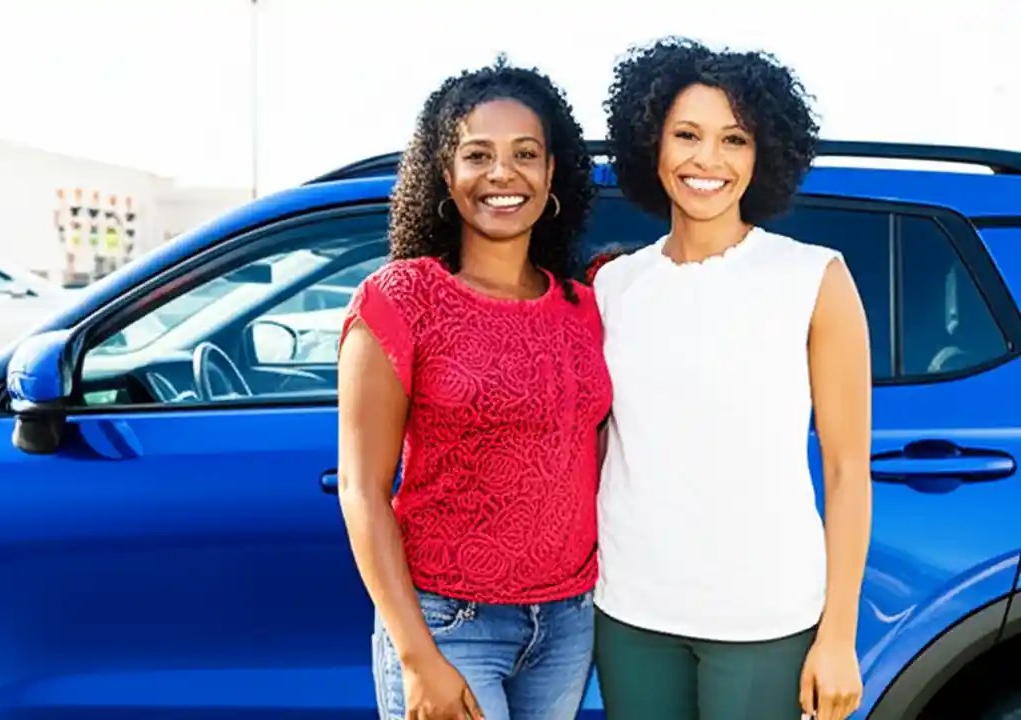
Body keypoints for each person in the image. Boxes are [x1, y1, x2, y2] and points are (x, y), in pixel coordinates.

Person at [589, 37, 872, 720]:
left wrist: (838, 637)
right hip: (631, 612)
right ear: (649, 144)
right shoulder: (616, 286)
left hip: (764, 619)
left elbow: (845, 470)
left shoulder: (814, 278)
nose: (707, 160)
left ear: (762, 153)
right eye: (686, 135)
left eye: (734, 139)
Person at [336, 56, 610, 720]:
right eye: (477, 154)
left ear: (552, 175)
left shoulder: (585, 304)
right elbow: (361, 491)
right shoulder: (401, 300)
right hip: (449, 624)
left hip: (568, 622)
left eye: (525, 153)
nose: (502, 173)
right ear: (446, 175)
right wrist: (416, 655)